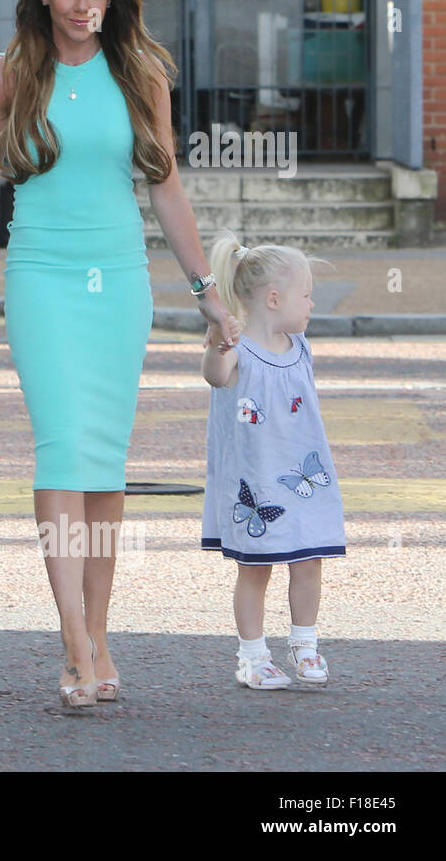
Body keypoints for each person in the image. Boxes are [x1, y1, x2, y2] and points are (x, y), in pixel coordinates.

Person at [0, 0, 239, 708]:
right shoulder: (3, 77)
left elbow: (166, 188)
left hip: (120, 286)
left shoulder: (139, 76)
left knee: (103, 465)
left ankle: (99, 634)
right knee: (62, 449)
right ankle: (73, 639)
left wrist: (204, 287)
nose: (82, 6)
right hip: (41, 277)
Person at [200, 231, 345, 689]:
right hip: (256, 482)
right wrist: (215, 342)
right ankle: (252, 656)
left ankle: (305, 644)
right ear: (275, 299)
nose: (312, 305)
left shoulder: (301, 348)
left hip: (306, 476)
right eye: (306, 295)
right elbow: (214, 376)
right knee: (255, 566)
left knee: (310, 559)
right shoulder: (238, 352)